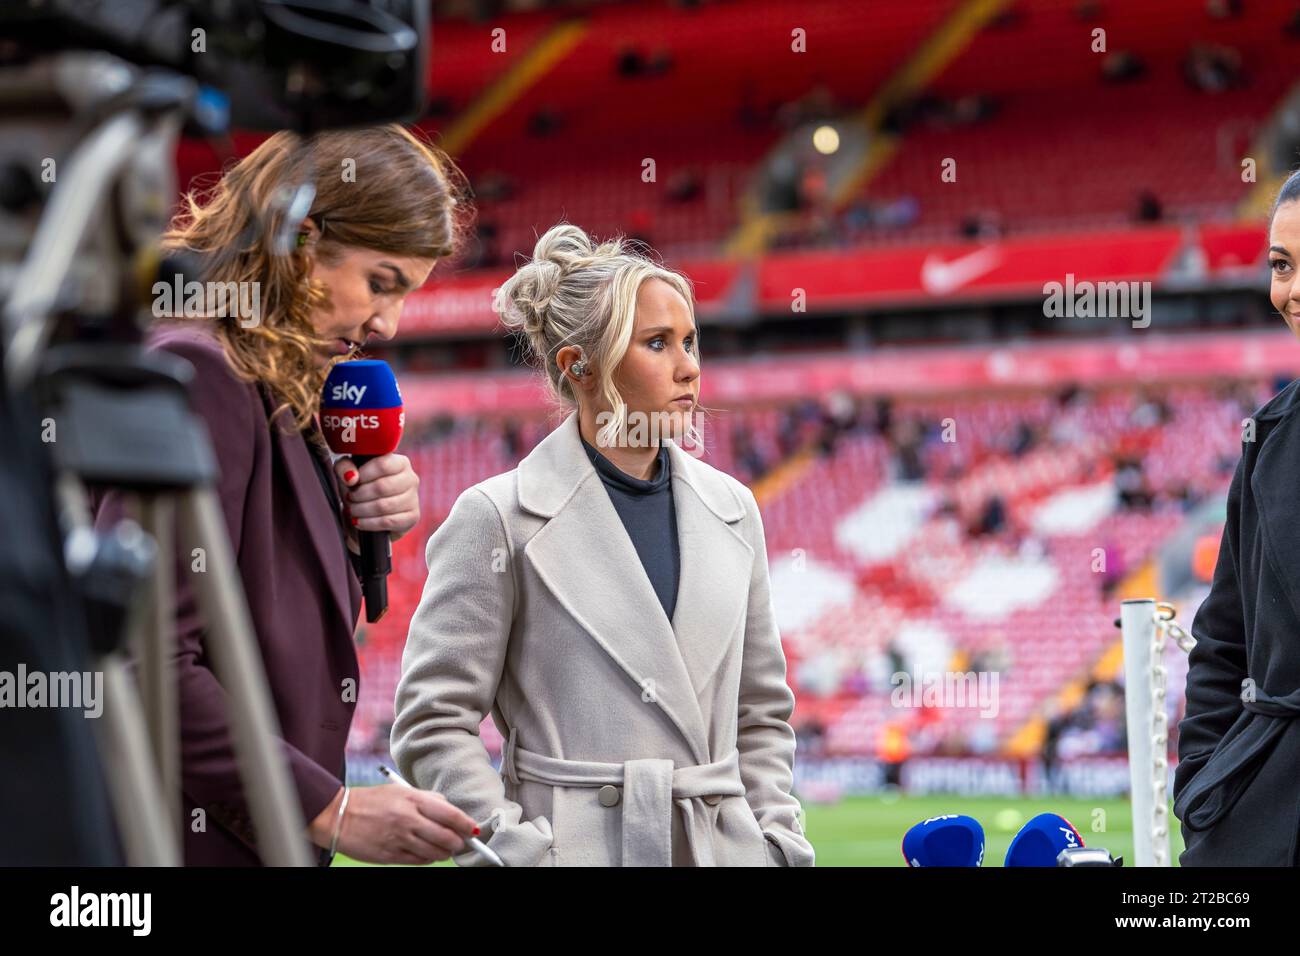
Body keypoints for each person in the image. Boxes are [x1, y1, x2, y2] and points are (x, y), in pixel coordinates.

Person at [91, 124, 477, 866]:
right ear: (298, 240)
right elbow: (145, 661)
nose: (386, 326)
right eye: (381, 283)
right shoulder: (204, 371)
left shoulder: (266, 386)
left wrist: (341, 505)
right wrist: (331, 810)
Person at [391, 223, 814, 866]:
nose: (689, 367)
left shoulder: (734, 509)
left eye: (691, 341)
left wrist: (777, 842)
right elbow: (432, 722)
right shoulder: (498, 517)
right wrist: (517, 854)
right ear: (577, 366)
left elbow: (760, 714)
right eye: (657, 343)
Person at [1173, 167, 1300, 865]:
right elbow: (1222, 641)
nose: (1293, 290)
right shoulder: (1266, 438)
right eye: (1282, 266)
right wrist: (1204, 786)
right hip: (1260, 819)